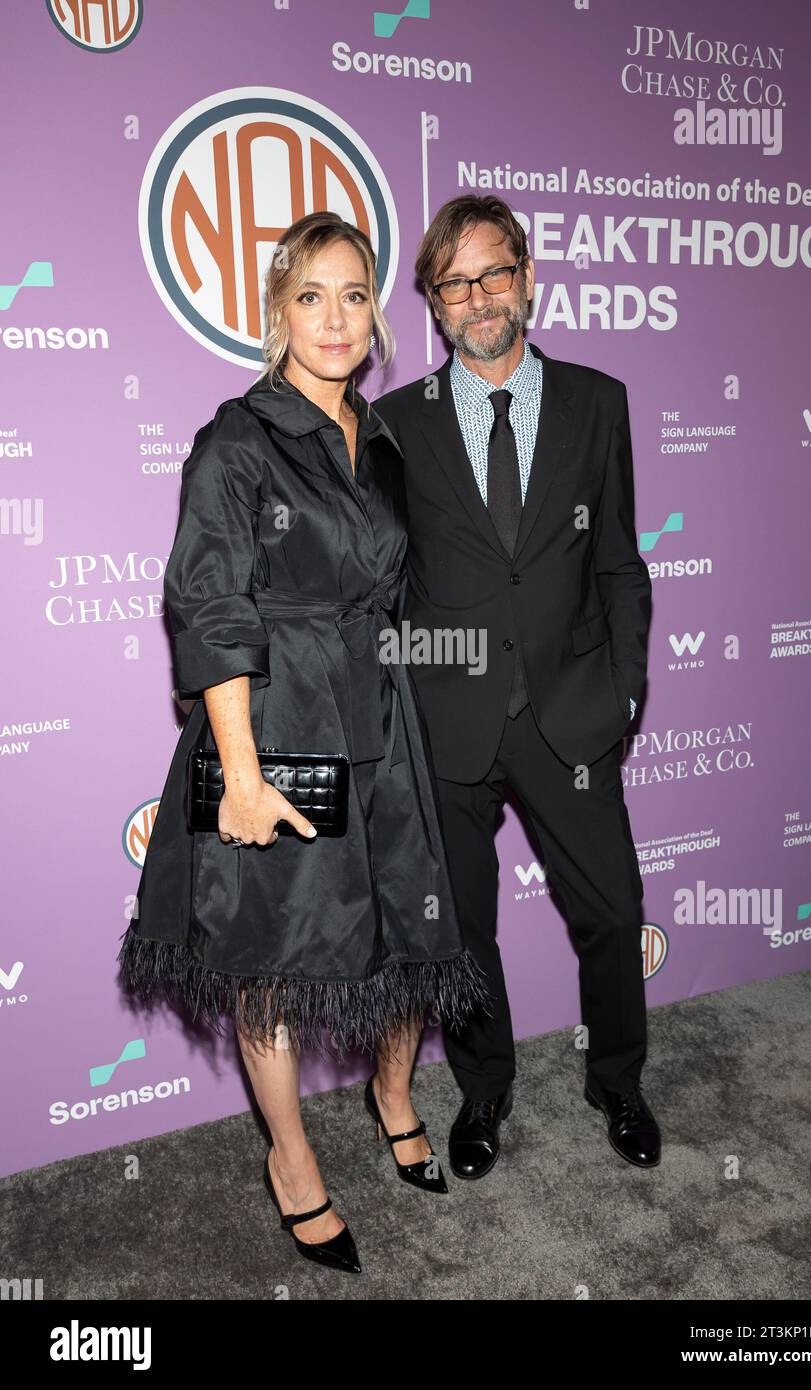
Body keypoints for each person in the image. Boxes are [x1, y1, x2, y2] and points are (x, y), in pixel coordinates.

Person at [117, 211, 492, 1274]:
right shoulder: (237, 439)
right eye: (310, 296)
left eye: (354, 295)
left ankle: (390, 1091)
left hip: (380, 717)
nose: (334, 318)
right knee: (272, 961)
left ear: (376, 314)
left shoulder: (379, 440)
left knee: (409, 930)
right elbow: (208, 604)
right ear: (274, 312)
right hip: (275, 729)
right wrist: (236, 771)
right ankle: (288, 1158)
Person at [374, 194, 661, 1182]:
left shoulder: (596, 400)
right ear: (434, 304)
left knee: (612, 910)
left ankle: (616, 1079)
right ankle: (482, 1086)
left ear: (526, 278)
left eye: (492, 273)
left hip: (570, 708)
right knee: (460, 928)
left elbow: (619, 560)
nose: (477, 296)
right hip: (447, 718)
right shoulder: (392, 423)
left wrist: (624, 687)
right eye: (453, 283)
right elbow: (385, 586)